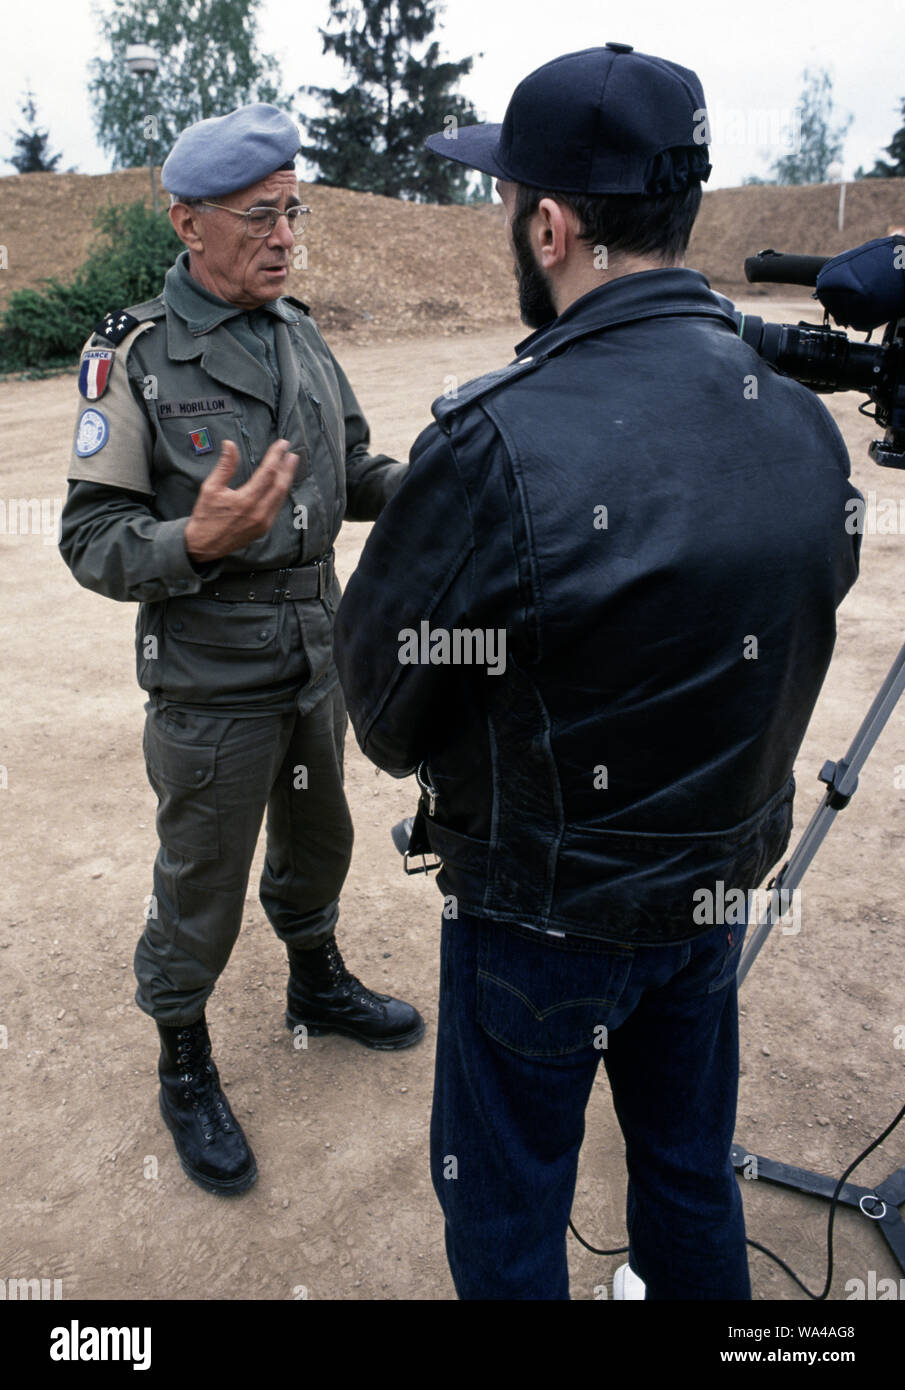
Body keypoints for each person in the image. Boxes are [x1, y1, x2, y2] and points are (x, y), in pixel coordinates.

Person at [333, 44, 862, 1298]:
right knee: (686, 1175)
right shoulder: (800, 424)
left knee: (509, 1210)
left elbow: (386, 709)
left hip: (537, 919)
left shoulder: (487, 441)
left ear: (552, 226)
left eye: (509, 205)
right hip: (710, 895)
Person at [59, 103, 424, 1200]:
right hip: (210, 679)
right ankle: (183, 1059)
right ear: (188, 224)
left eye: (292, 211)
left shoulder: (300, 333)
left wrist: (437, 493)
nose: (283, 236)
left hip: (319, 655)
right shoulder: (132, 356)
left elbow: (353, 470)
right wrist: (191, 539)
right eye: (259, 216)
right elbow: (88, 538)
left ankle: (315, 982)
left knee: (320, 841)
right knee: (200, 881)